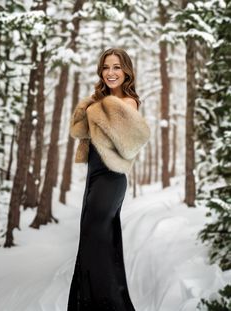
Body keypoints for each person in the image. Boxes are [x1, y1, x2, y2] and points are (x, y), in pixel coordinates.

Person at [67, 48, 150, 311]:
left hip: (111, 181)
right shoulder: (99, 103)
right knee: (94, 246)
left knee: (96, 246)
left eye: (116, 67)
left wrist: (95, 107)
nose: (111, 72)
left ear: (126, 71)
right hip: (94, 180)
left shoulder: (128, 103)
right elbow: (77, 129)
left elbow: (128, 146)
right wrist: (90, 104)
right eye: (106, 67)